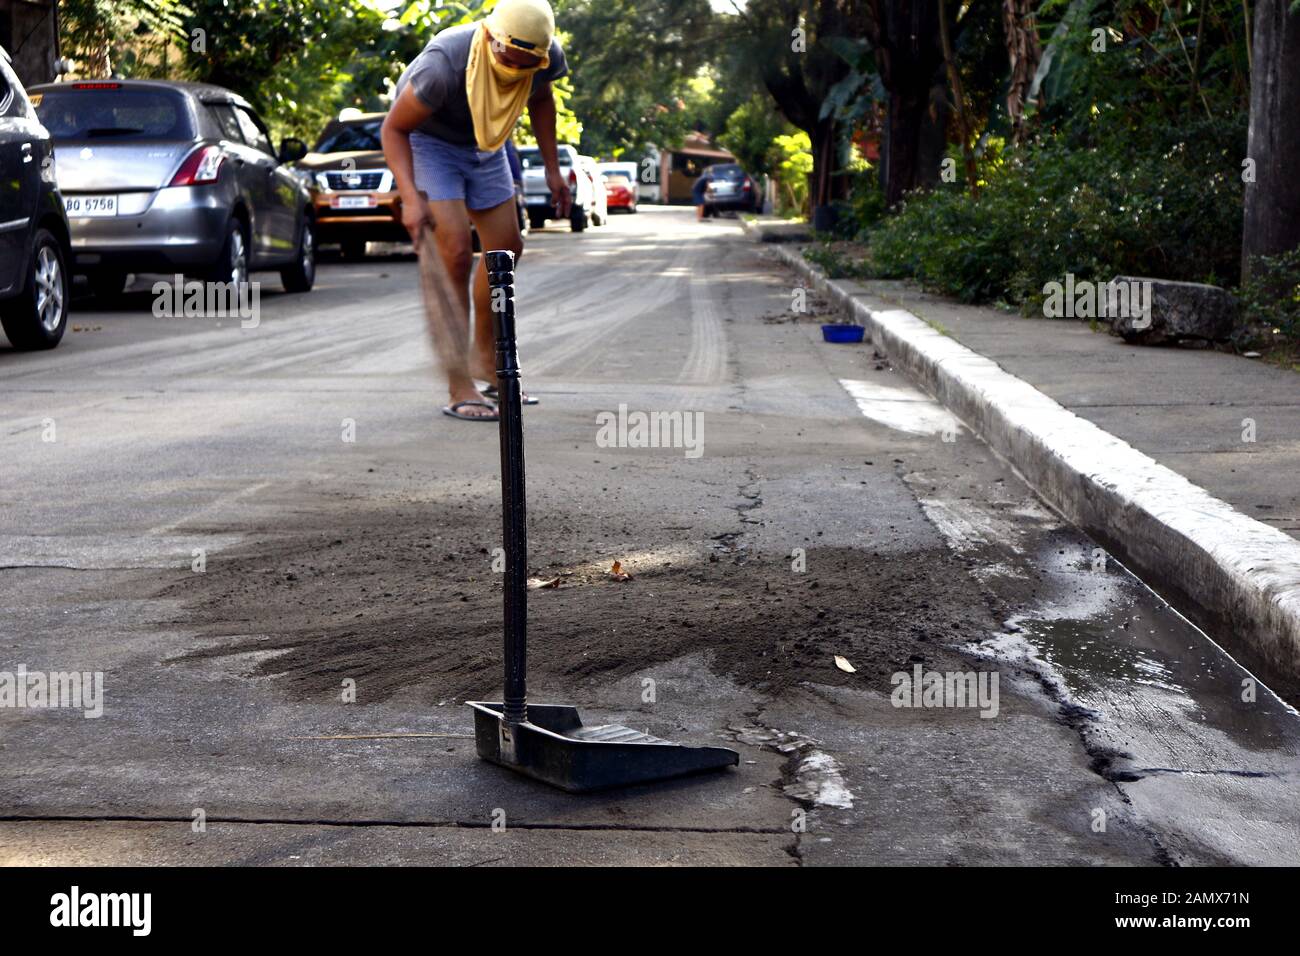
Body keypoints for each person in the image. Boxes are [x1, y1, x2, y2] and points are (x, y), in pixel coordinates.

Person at [382, 0, 571, 421]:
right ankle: (458, 384)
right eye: (509, 58)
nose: (516, 68)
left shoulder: (544, 56)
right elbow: (393, 128)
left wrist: (554, 171)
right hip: (428, 143)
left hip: (486, 142)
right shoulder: (443, 64)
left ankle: (486, 363)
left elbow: (542, 101)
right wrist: (411, 198)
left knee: (506, 251)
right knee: (452, 252)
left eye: (528, 63)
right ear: (492, 37)